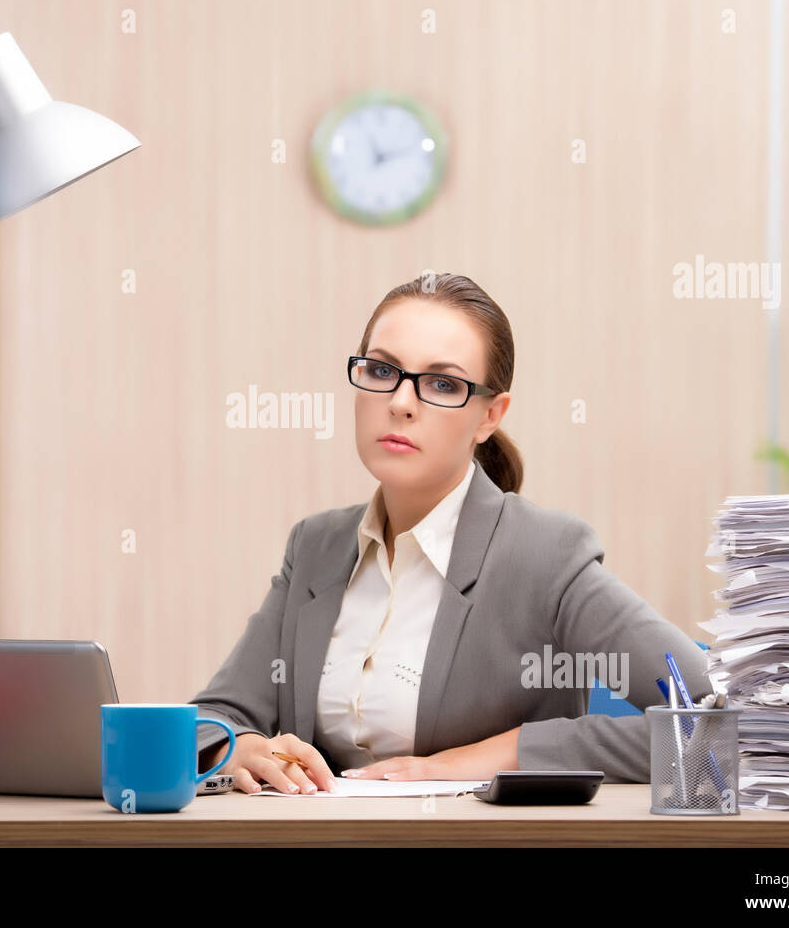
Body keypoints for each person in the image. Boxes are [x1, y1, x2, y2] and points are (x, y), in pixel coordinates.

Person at [190, 272, 712, 794]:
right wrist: (239, 745)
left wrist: (499, 755)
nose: (400, 401)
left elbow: (722, 721)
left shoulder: (545, 553)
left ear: (490, 415)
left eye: (443, 384)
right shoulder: (316, 546)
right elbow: (213, 716)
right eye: (381, 370)